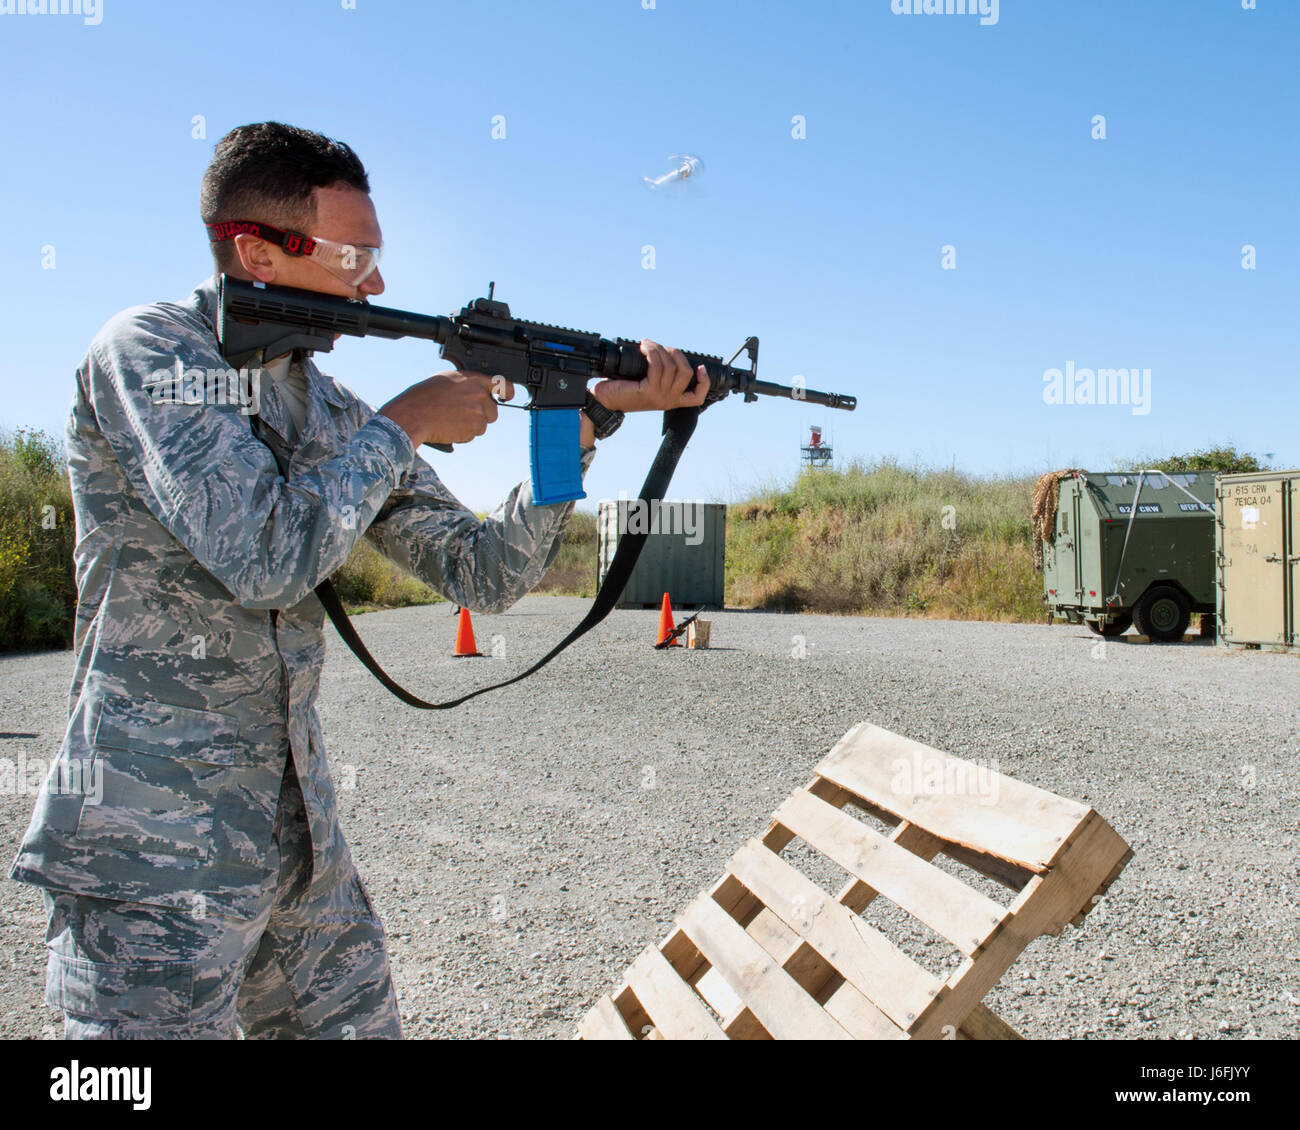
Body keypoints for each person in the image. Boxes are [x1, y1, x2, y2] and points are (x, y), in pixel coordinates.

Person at [9, 121, 708, 1039]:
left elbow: (485, 572)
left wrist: (574, 420)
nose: (375, 285)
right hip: (152, 851)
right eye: (355, 258)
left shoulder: (328, 408)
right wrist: (404, 424)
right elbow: (265, 558)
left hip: (297, 844)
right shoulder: (150, 353)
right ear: (257, 250)